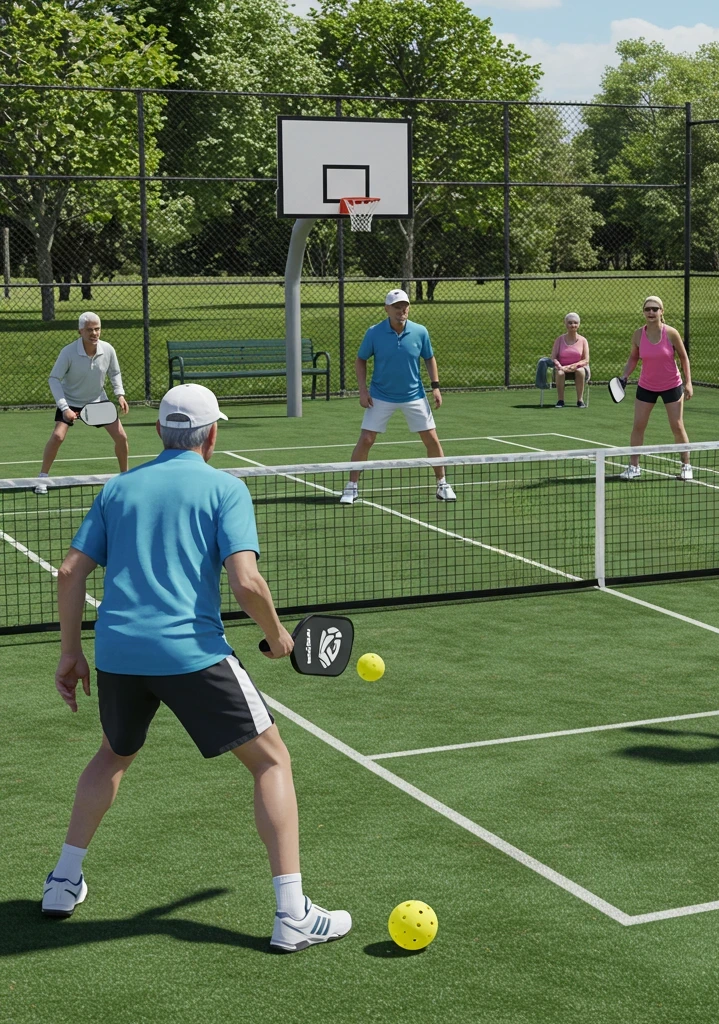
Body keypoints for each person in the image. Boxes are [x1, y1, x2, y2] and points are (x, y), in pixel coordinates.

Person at [44, 383, 351, 953]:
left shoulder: (120, 488)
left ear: (160, 432)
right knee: (271, 762)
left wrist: (70, 653)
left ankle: (62, 883)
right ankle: (292, 916)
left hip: (117, 654)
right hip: (190, 653)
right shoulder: (225, 489)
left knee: (114, 753)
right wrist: (278, 636)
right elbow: (246, 581)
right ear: (212, 435)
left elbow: (68, 574)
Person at [339, 288, 455, 505]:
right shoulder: (373, 333)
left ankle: (442, 484)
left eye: (405, 306)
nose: (402, 311)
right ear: (387, 309)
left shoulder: (420, 332)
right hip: (381, 395)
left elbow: (429, 358)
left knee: (431, 439)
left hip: (414, 395)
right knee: (366, 439)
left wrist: (436, 387)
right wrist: (363, 390)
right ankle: (352, 487)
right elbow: (360, 360)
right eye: (396, 307)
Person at [36, 312, 130, 495]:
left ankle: (125, 477)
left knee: (121, 437)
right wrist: (65, 408)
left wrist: (120, 394)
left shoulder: (108, 349)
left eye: (97, 329)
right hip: (71, 402)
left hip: (97, 401)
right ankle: (42, 478)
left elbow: (114, 373)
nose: (94, 333)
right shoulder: (68, 352)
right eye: (89, 330)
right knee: (57, 437)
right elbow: (54, 378)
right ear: (80, 331)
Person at [616, 296, 694, 481]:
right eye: (647, 309)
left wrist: (688, 382)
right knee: (638, 426)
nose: (651, 312)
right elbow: (634, 358)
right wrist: (624, 376)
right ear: (643, 312)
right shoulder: (637, 334)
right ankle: (634, 467)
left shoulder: (671, 333)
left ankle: (686, 466)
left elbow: (684, 358)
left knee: (677, 426)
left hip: (671, 385)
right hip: (646, 386)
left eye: (655, 309)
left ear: (661, 312)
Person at [550, 312, 590, 408]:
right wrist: (560, 367)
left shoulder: (583, 340)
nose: (573, 325)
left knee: (580, 371)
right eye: (570, 323)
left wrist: (574, 366)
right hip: (562, 368)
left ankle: (580, 400)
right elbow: (553, 357)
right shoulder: (559, 340)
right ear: (566, 324)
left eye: (575, 323)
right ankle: (560, 400)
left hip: (578, 367)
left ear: (579, 324)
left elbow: (586, 359)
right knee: (560, 373)